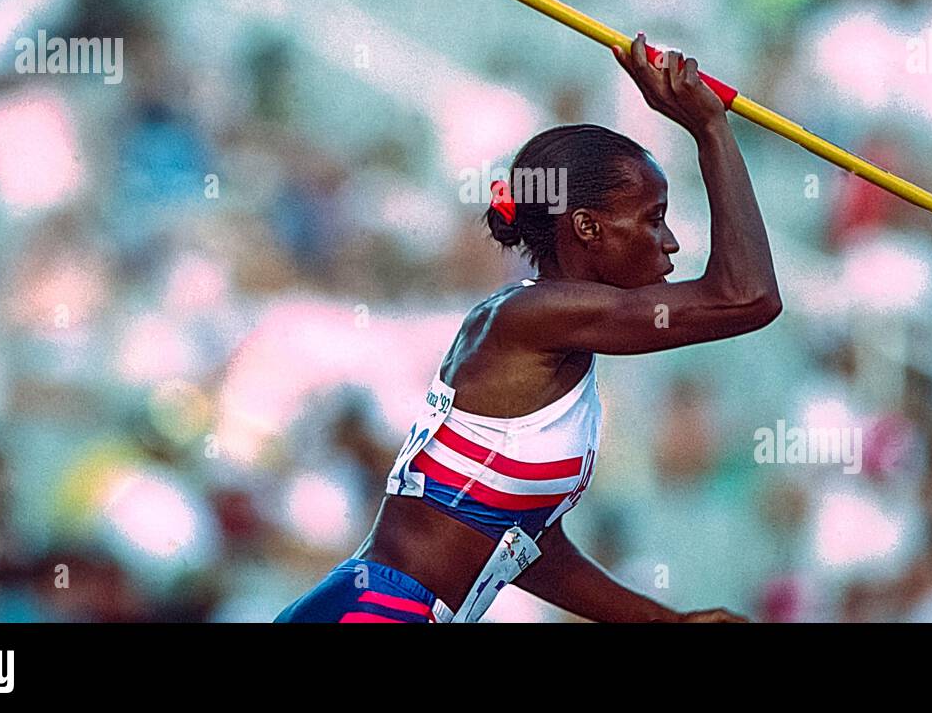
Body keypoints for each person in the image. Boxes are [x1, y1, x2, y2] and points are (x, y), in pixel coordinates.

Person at [275, 33, 782, 623]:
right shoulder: (537, 317)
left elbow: (523, 545)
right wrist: (710, 130)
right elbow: (748, 297)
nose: (671, 242)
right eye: (655, 219)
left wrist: (667, 622)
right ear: (588, 228)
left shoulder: (549, 332)